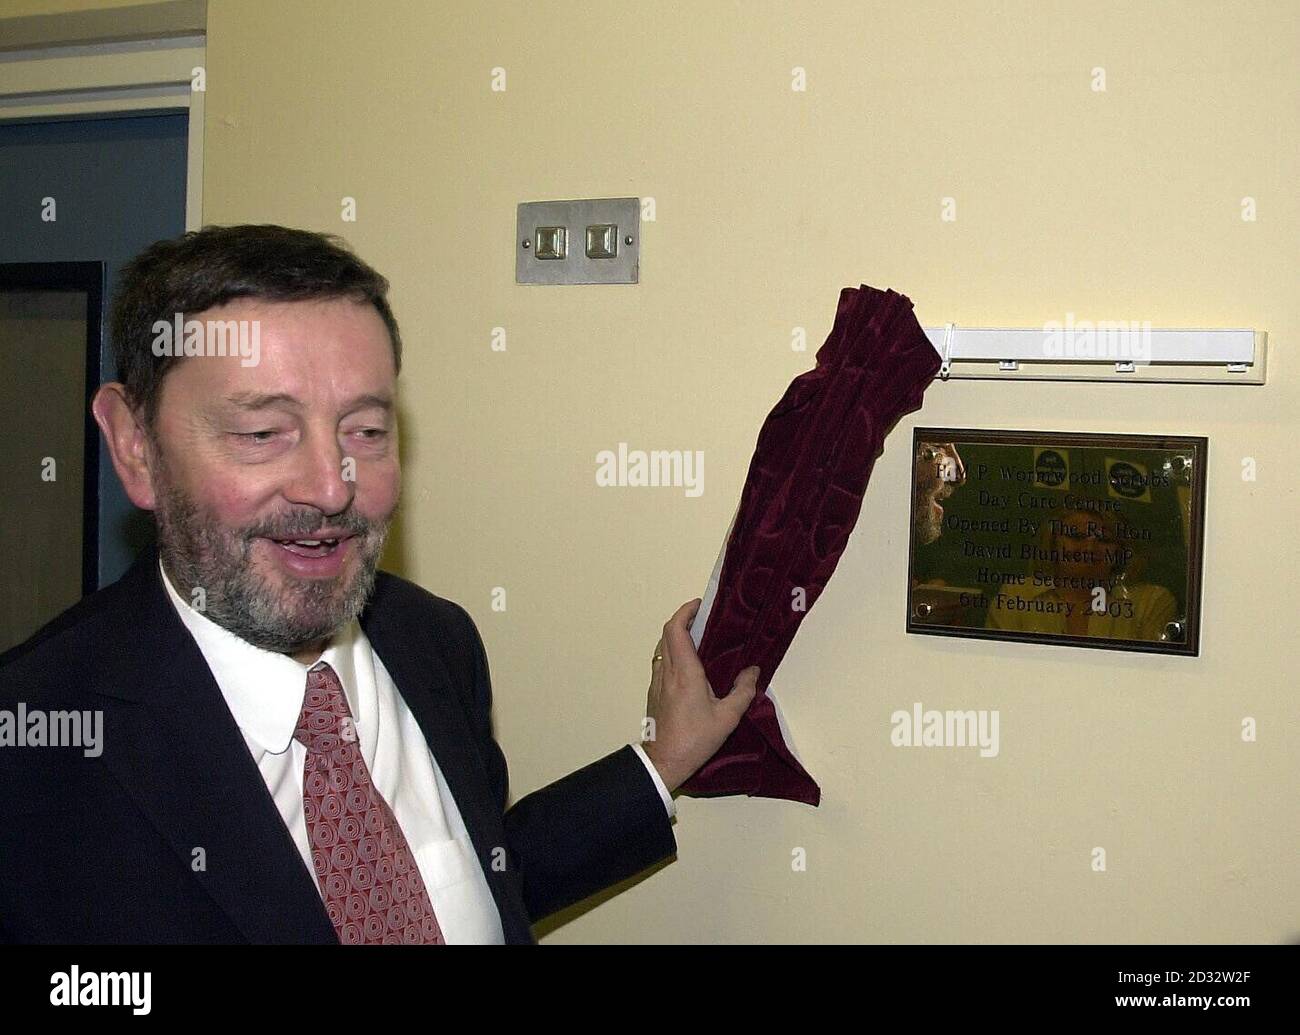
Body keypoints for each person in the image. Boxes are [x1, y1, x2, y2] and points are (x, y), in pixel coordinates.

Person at [0, 224, 760, 944]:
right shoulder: (37, 750)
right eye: (264, 433)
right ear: (135, 446)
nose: (333, 487)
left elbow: (471, 878)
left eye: (365, 431)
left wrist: (658, 762)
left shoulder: (434, 640)